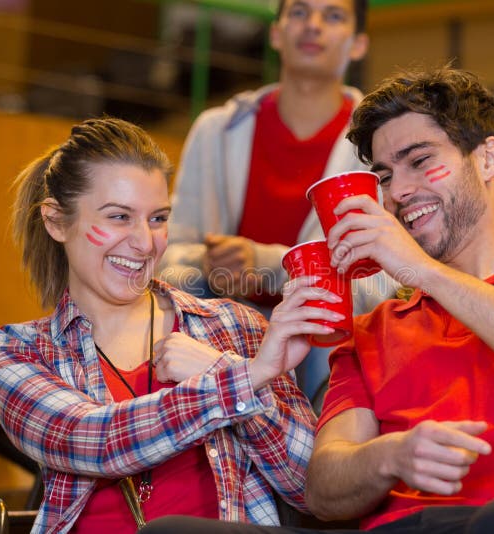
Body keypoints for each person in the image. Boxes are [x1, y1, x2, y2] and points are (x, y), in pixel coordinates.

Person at [141, 66, 494, 534]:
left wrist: (425, 272)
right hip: (407, 526)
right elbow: (323, 491)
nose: (397, 193)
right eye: (386, 177)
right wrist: (392, 456)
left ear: (488, 158)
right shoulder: (375, 329)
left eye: (420, 161)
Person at [0, 117, 339, 533]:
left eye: (158, 219)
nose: (145, 242)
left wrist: (222, 368)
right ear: (57, 221)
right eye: (119, 217)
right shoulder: (18, 353)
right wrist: (242, 378)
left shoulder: (235, 326)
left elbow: (311, 489)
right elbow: (97, 442)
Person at [159, 0, 396, 399]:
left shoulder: (381, 143)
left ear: (358, 44)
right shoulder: (215, 130)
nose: (313, 25)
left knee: (339, 317)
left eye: (333, 16)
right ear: (275, 32)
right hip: (223, 330)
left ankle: (324, 432)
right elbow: (166, 254)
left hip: (321, 344)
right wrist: (208, 263)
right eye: (299, 12)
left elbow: (381, 280)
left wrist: (268, 264)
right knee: (175, 289)